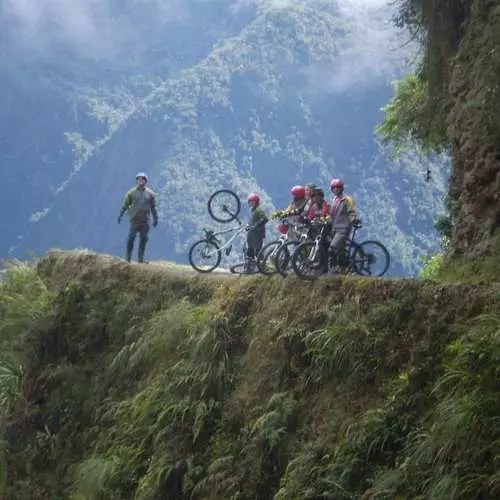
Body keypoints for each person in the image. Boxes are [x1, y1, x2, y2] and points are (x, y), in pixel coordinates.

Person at [118, 173, 158, 263]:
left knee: (143, 240)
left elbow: (153, 208)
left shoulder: (151, 194)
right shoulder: (131, 193)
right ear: (137, 181)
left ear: (145, 181)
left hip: (145, 221)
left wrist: (156, 219)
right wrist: (120, 215)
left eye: (142, 179)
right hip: (134, 220)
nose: (140, 181)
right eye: (139, 179)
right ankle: (127, 258)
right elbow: (125, 205)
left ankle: (140, 259)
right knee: (131, 238)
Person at [329, 178, 356, 267]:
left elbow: (351, 211)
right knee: (340, 251)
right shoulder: (334, 200)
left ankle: (336, 267)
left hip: (343, 228)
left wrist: (353, 219)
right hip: (335, 228)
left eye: (338, 187)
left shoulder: (347, 199)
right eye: (334, 188)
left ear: (341, 188)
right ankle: (341, 267)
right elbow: (331, 213)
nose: (336, 189)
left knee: (332, 248)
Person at [245, 193, 268, 272]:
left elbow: (264, 219)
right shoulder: (253, 210)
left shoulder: (259, 210)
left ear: (255, 202)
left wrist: (255, 225)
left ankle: (262, 268)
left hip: (258, 234)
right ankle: (249, 268)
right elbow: (252, 221)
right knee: (250, 250)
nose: (250, 203)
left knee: (258, 251)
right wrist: (248, 225)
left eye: (251, 201)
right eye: (249, 201)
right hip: (252, 234)